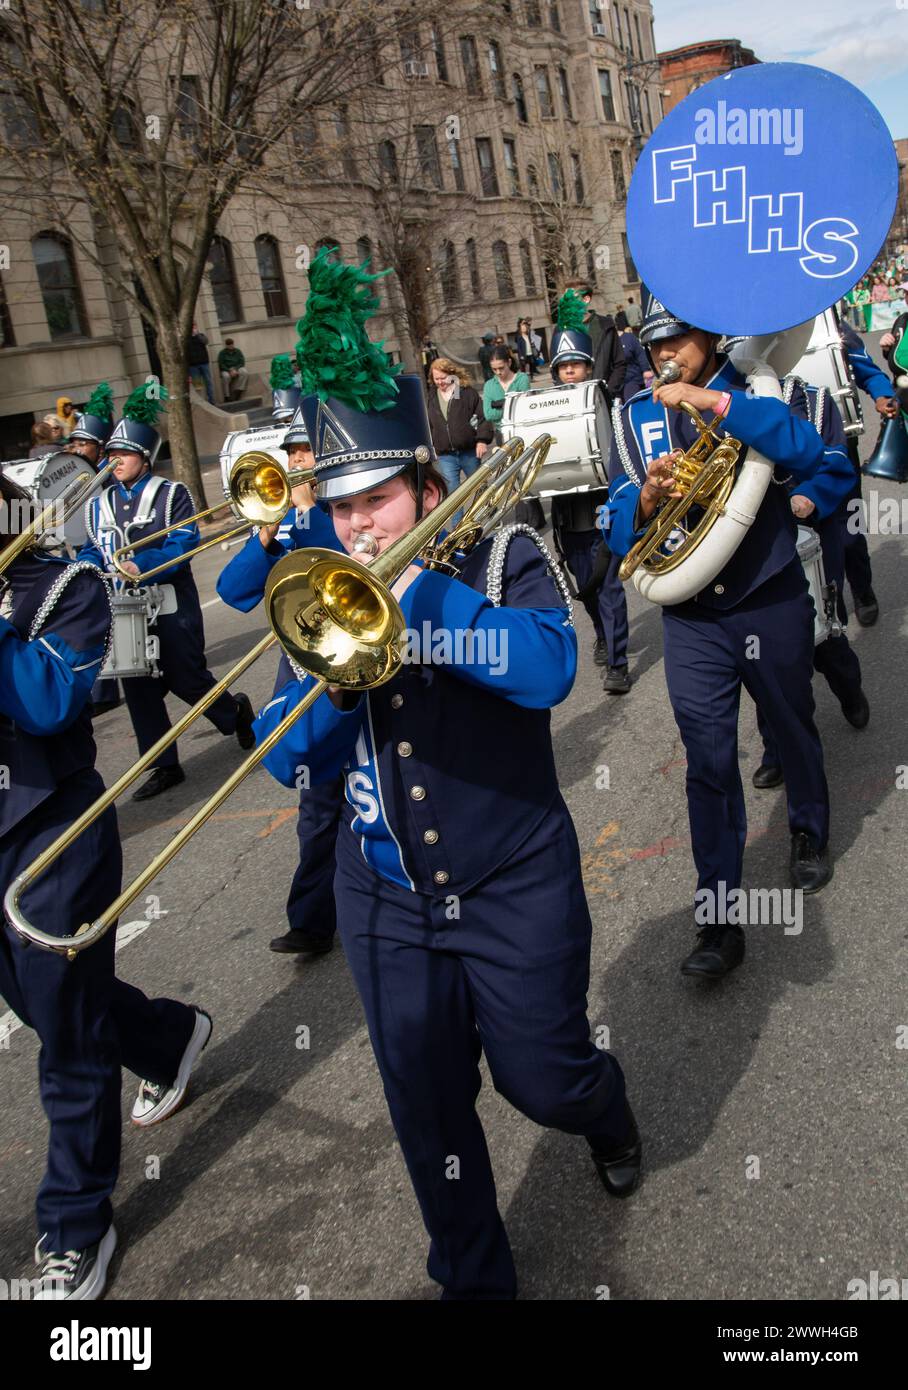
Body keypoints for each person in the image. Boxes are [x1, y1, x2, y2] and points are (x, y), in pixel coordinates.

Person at [252, 251, 642, 1301]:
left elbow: (548, 669)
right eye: (340, 507)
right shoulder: (319, 591)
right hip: (384, 898)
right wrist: (334, 684)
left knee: (543, 1078)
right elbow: (285, 757)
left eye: (377, 499)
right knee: (426, 1110)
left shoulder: (497, 554)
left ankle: (602, 1108)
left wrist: (421, 600)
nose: (358, 526)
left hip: (510, 877)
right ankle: (474, 1278)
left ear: (426, 487)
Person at [0, 473, 211, 1300]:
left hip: (52, 831)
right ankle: (168, 1038)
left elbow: (50, 701)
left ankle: (75, 1227)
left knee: (67, 1036)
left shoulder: (67, 585)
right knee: (46, 1005)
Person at [604, 307, 853, 979]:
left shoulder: (757, 387)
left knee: (792, 721)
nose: (665, 354)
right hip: (690, 615)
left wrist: (711, 401)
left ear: (709, 336)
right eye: (655, 343)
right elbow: (613, 520)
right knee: (708, 762)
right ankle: (718, 919)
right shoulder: (633, 417)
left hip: (767, 595)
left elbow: (807, 453)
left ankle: (808, 829)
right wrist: (646, 500)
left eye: (678, 339)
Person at [77, 383, 255, 798]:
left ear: (145, 457)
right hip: (123, 608)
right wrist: (84, 570)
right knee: (139, 689)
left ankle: (235, 713)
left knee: (186, 677)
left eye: (124, 453)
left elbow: (183, 543)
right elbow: (90, 549)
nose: (115, 461)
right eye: (111, 453)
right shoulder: (97, 504)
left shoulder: (171, 494)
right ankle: (163, 765)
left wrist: (143, 564)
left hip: (170, 605)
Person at [216, 402, 342, 957]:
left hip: (359, 666)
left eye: (305, 451)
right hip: (304, 671)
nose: (296, 462)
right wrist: (265, 536)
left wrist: (310, 512)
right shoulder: (284, 524)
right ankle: (311, 921)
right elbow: (233, 591)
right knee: (316, 803)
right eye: (290, 453)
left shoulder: (346, 508)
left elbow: (338, 560)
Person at [752, 376, 870, 788]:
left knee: (825, 637)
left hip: (812, 534)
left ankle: (848, 688)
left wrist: (810, 495)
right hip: (755, 546)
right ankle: (776, 747)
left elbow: (837, 461)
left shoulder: (813, 398)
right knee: (765, 652)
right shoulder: (724, 402)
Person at [548, 289, 630, 693]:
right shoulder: (544, 407)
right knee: (586, 586)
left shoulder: (606, 403)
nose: (570, 372)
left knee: (609, 585)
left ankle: (618, 663)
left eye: (576, 365)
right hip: (568, 513)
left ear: (587, 367)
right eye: (564, 367)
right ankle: (601, 633)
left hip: (600, 507)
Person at [840, 318, 902, 624]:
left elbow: (868, 370)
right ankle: (823, 603)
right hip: (780, 447)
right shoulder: (753, 331)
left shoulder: (832, 327)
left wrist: (881, 395)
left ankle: (862, 589)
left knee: (849, 525)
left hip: (837, 440)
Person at [426, 356, 493, 511]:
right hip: (446, 455)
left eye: (443, 378)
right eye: (436, 379)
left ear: (452, 374)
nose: (440, 382)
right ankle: (457, 525)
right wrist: (432, 446)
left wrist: (482, 440)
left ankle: (489, 514)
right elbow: (430, 424)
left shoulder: (465, 393)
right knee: (453, 497)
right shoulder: (432, 396)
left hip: (469, 451)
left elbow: (482, 417)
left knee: (478, 488)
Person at [564, 280, 625, 407]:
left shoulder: (606, 325)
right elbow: (556, 369)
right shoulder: (561, 330)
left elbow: (619, 363)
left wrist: (607, 392)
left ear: (586, 299)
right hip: (574, 401)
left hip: (604, 399)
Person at [65, 381, 115, 471]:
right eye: (73, 445)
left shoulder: (112, 476)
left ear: (101, 450)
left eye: (81, 444)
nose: (76, 450)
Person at [481, 345, 530, 426]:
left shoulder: (522, 379)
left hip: (521, 427)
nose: (498, 372)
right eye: (494, 369)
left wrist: (500, 407)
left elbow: (524, 407)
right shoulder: (489, 385)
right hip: (500, 431)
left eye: (501, 368)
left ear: (509, 363)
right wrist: (512, 406)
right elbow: (488, 415)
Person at [619, 328, 650, 403]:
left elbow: (640, 354)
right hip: (614, 384)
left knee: (631, 402)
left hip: (631, 379)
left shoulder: (629, 338)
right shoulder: (605, 342)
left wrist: (646, 370)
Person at [188, 323, 214, 404]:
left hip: (204, 363)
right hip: (193, 365)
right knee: (197, 385)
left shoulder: (201, 336)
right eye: (192, 327)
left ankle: (211, 400)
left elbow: (206, 341)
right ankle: (201, 402)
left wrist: (198, 335)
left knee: (208, 382)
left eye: (194, 326)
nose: (193, 328)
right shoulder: (186, 338)